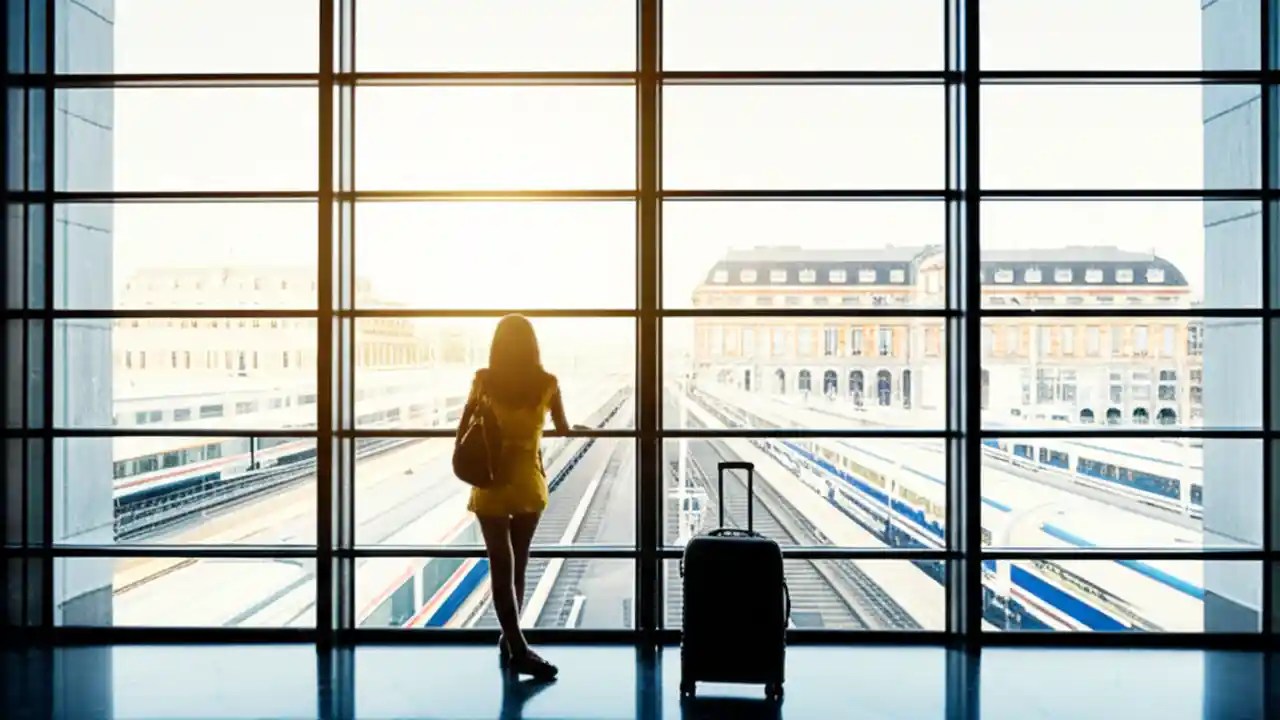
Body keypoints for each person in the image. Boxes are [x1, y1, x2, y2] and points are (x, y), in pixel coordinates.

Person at [458, 314, 569, 680]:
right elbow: (564, 428)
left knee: (499, 569)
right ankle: (515, 647)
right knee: (518, 565)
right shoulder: (548, 383)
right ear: (533, 346)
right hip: (527, 482)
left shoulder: (483, 381)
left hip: (490, 481)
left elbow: (463, 431)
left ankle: (514, 645)